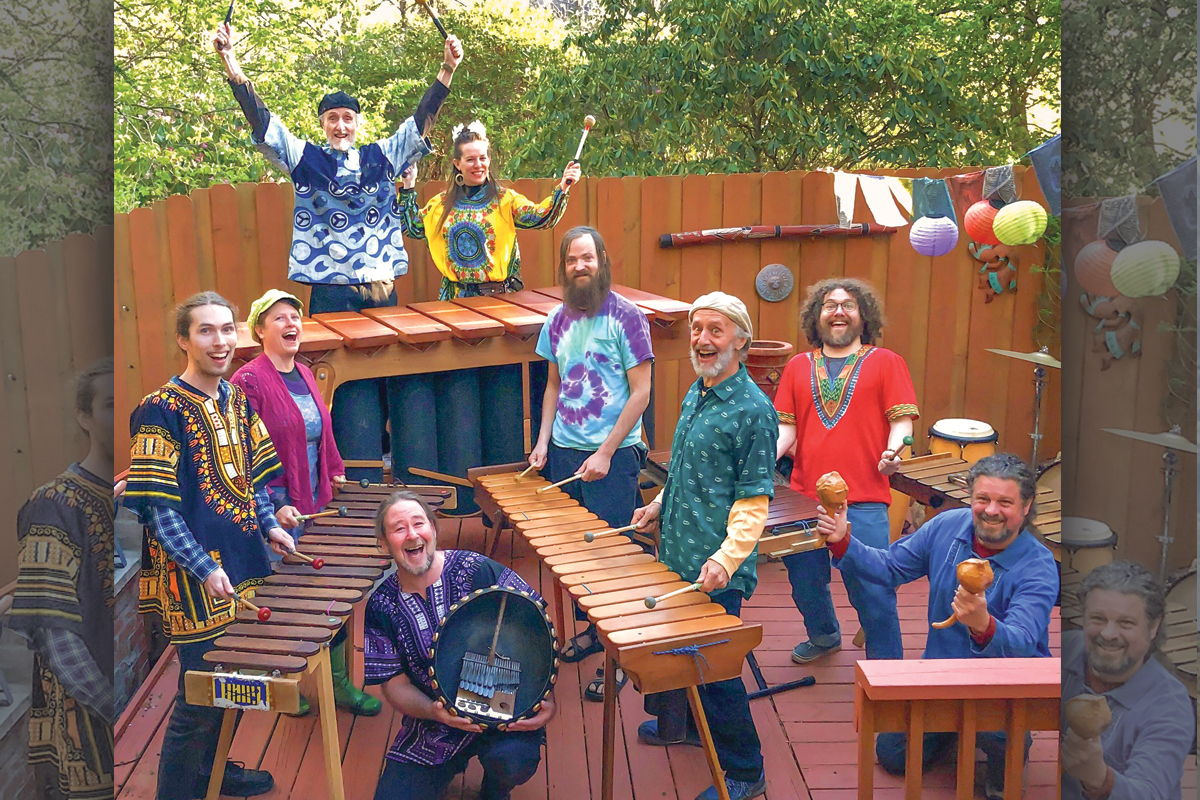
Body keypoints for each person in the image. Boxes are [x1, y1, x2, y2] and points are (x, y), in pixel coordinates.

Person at [211, 22, 463, 485]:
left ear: (357, 122)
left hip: (378, 285)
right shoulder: (306, 158)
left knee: (390, 374)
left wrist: (447, 69)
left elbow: (421, 121)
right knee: (332, 378)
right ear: (323, 125)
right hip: (327, 290)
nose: (341, 125)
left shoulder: (381, 157)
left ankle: (390, 462)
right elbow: (263, 124)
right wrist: (232, 65)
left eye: (348, 117)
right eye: (333, 119)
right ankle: (341, 466)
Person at [124, 292, 295, 800]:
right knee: (200, 694)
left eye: (227, 329)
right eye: (206, 331)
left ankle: (212, 772)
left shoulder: (237, 400)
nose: (220, 341)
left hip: (243, 563)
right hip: (193, 578)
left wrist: (269, 525)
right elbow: (160, 509)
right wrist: (202, 567)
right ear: (183, 339)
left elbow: (251, 480)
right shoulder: (158, 410)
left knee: (233, 679)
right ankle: (180, 789)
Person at [820, 452, 1058, 800]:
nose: (991, 510)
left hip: (1006, 687)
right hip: (943, 674)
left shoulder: (1039, 566)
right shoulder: (947, 526)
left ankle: (1006, 746)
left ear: (1026, 506)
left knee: (1000, 767)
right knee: (892, 754)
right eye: (983, 499)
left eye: (1005, 502)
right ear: (971, 499)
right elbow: (889, 568)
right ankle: (953, 726)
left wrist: (984, 625)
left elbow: (1021, 645)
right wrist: (843, 540)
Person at [630, 292, 776, 800]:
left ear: (740, 340)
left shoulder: (754, 412)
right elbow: (692, 470)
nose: (702, 340)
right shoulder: (698, 391)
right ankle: (688, 728)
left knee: (718, 675)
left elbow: (753, 499)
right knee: (683, 656)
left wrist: (726, 559)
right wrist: (658, 505)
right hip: (677, 553)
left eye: (715, 330)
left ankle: (745, 772)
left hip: (716, 568)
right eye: (697, 329)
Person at [229, 289, 380, 717]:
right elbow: (244, 455)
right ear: (260, 330)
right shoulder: (249, 381)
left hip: (316, 502)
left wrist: (334, 470)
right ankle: (284, 682)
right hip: (277, 508)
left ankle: (337, 683)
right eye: (279, 318)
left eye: (296, 317)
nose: (291, 324)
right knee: (285, 597)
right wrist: (272, 508)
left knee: (333, 592)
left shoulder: (307, 373)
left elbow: (322, 435)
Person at [525, 226, 653, 700]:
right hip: (563, 450)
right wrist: (542, 443)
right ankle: (591, 631)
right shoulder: (555, 321)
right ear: (564, 267)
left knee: (609, 560)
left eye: (588, 258)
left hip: (613, 455)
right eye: (572, 260)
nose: (580, 267)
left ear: (602, 261)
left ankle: (617, 655)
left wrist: (605, 451)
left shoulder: (627, 317)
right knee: (574, 555)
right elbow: (553, 387)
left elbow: (641, 392)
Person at [364, 490, 555, 800]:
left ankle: (496, 787)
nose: (412, 534)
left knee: (514, 760)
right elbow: (393, 684)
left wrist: (547, 700)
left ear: (433, 530)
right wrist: (433, 711)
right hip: (433, 725)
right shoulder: (382, 605)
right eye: (399, 528)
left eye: (419, 523)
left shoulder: (476, 569)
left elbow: (536, 627)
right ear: (384, 544)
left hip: (503, 708)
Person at [773, 277, 918, 663]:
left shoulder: (888, 363)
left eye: (848, 304)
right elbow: (785, 429)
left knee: (873, 587)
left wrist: (893, 453)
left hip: (865, 498)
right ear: (816, 317)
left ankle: (888, 668)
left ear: (863, 316)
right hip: (804, 499)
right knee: (806, 582)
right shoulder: (797, 366)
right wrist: (760, 460)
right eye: (829, 305)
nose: (838, 311)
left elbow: (901, 422)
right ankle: (824, 637)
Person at [11, 358, 115, 800]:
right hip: (87, 722)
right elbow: (56, 634)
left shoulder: (124, 491)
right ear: (84, 418)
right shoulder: (53, 504)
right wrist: (114, 705)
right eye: (108, 404)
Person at [398, 120, 579, 299]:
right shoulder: (441, 204)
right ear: (457, 163)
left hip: (500, 299)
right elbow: (411, 226)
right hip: (454, 301)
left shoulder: (505, 200)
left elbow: (543, 217)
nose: (478, 165)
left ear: (489, 160)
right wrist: (408, 185)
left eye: (482, 158)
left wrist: (563, 187)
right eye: (470, 159)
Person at [1061, 560, 1194, 799]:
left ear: (1153, 628)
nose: (1108, 634)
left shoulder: (1169, 705)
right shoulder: (1067, 650)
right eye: (1098, 619)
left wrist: (1100, 779)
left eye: (1126, 623)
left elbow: (1151, 792)